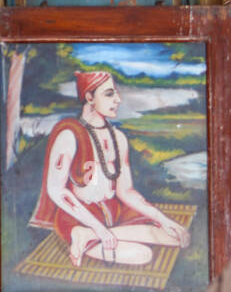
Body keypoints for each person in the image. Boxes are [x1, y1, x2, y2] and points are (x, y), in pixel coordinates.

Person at [29, 70, 191, 267]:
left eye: (116, 93)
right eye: (109, 94)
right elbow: (56, 190)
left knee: (175, 237)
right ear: (89, 97)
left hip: (114, 212)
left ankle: (88, 237)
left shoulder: (118, 138)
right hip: (79, 217)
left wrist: (163, 219)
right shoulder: (69, 134)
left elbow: (126, 191)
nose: (118, 100)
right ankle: (83, 234)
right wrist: (96, 227)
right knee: (143, 255)